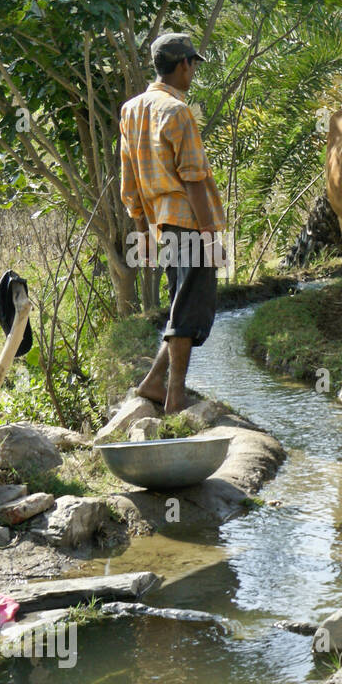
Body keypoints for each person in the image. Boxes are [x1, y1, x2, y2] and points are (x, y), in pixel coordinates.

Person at [119, 32, 226, 414]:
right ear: (184, 65)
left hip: (160, 225)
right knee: (192, 309)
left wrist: (142, 234)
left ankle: (152, 382)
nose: (193, 72)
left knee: (182, 304)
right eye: (193, 65)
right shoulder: (177, 112)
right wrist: (209, 234)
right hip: (188, 221)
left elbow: (128, 182)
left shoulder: (131, 109)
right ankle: (175, 396)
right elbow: (194, 178)